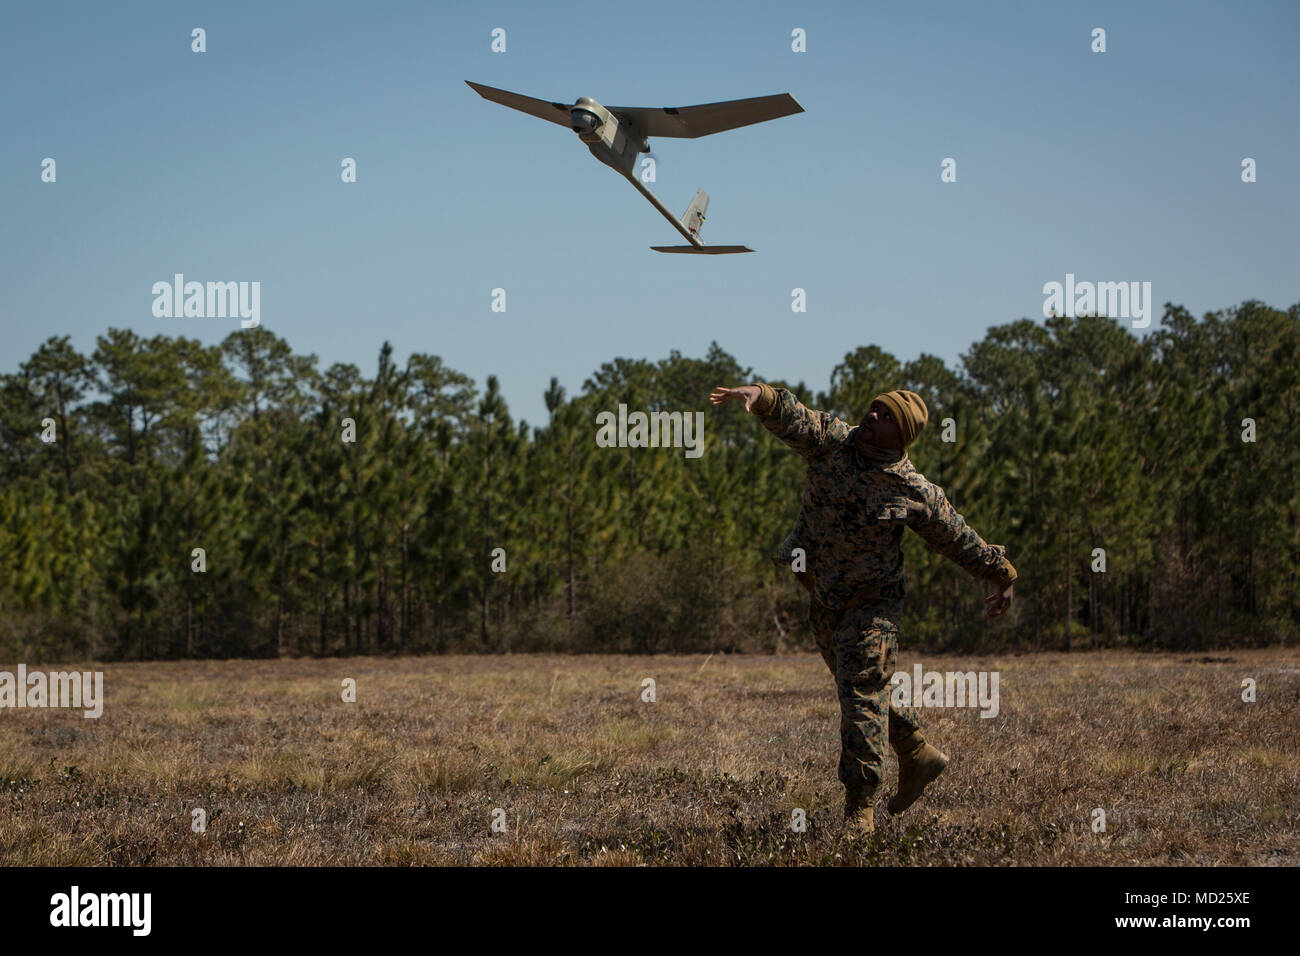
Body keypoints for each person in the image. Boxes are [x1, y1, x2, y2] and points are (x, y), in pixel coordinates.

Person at [708, 382, 1017, 836]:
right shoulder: (834, 442)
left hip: (874, 607)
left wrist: (1001, 571)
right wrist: (763, 396)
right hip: (824, 595)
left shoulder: (912, 488)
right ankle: (916, 752)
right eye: (874, 408)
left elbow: (956, 538)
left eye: (886, 416)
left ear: (904, 435)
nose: (873, 416)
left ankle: (860, 811)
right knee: (862, 691)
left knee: (860, 696)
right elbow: (799, 419)